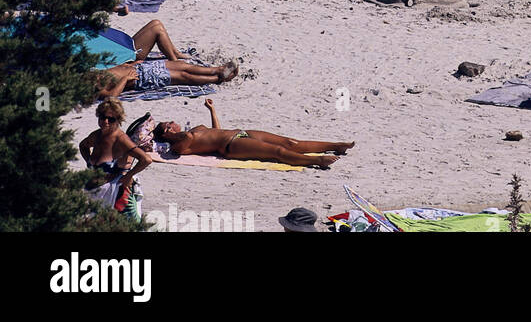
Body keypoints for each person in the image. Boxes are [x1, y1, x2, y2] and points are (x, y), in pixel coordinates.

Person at [152, 100, 354, 169]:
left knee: (290, 142)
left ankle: (336, 145)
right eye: (168, 124)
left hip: (240, 133)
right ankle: (318, 161)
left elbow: (215, 131)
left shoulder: (192, 131)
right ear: (167, 132)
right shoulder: (178, 145)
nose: (173, 122)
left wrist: (212, 111)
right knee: (277, 151)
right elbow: (188, 140)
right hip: (231, 146)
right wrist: (169, 137)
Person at [80, 97, 150, 215]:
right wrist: (88, 162)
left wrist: (128, 176)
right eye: (102, 117)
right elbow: (83, 146)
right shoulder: (97, 135)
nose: (105, 122)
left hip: (115, 194)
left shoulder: (121, 140)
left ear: (118, 120)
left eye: (111, 119)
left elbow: (146, 159)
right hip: (94, 193)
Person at [97, 53, 239, 98]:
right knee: (184, 76)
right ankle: (217, 79)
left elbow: (114, 69)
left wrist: (129, 65)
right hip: (142, 79)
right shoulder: (90, 86)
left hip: (139, 67)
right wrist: (125, 79)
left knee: (184, 66)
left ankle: (218, 70)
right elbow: (111, 96)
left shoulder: (89, 72)